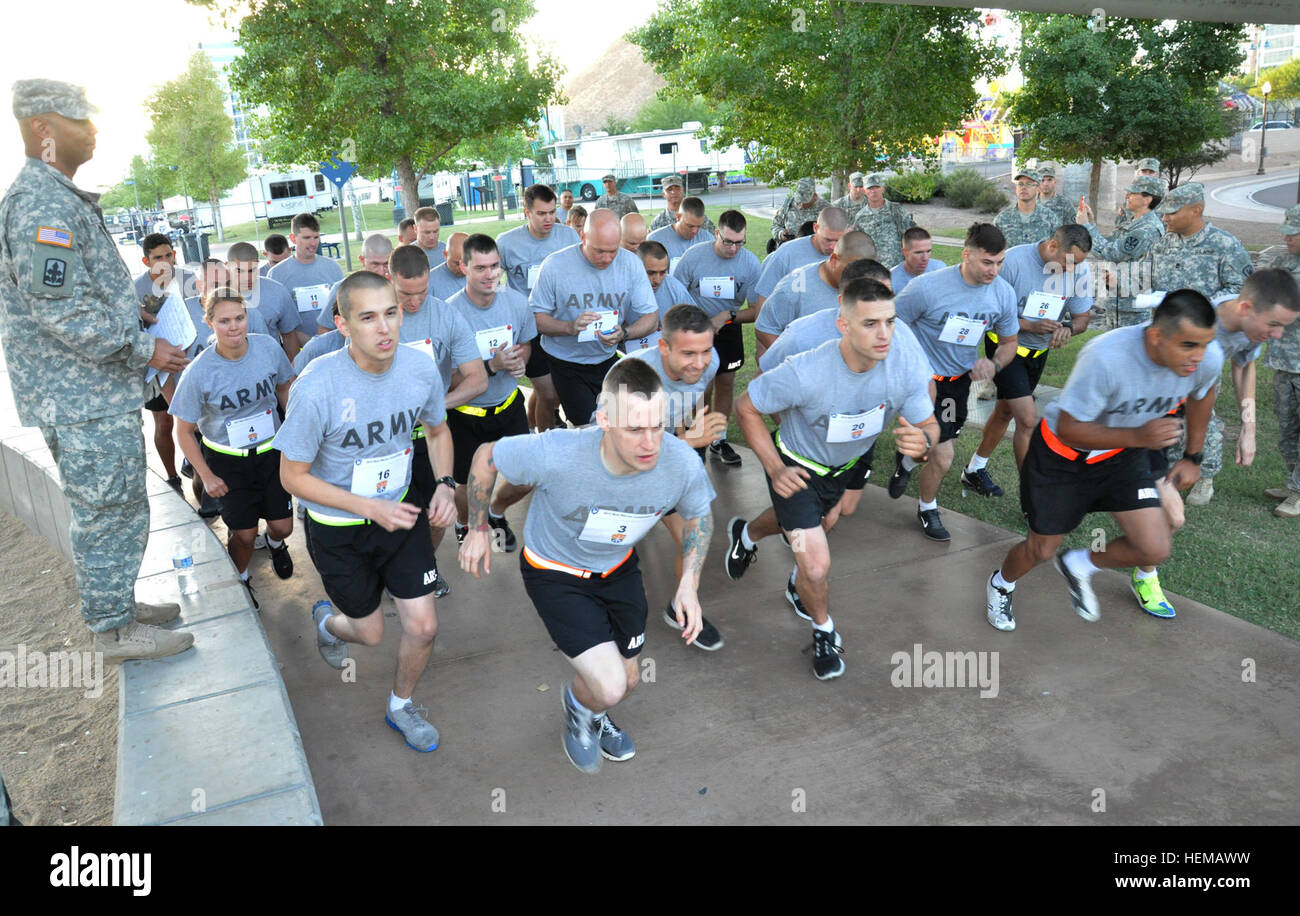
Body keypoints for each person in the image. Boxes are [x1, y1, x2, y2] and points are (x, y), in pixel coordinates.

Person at [0, 78, 192, 661]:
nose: (93, 130)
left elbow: (73, 299)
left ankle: (119, 604)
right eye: (79, 120)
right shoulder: (42, 206)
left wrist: (134, 312)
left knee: (119, 505)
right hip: (80, 398)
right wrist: (142, 348)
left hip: (88, 393)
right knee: (107, 509)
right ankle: (112, 629)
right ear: (44, 130)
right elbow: (60, 312)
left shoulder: (58, 198)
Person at [458, 358, 715, 773]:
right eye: (634, 429)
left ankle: (591, 707)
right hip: (554, 574)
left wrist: (689, 583)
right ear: (604, 420)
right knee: (611, 684)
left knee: (627, 681)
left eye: (657, 426)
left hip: (618, 570)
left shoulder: (679, 462)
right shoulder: (557, 453)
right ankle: (584, 712)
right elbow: (488, 456)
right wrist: (477, 526)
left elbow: (699, 516)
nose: (650, 443)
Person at [278, 270, 458, 753]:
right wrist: (365, 507)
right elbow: (291, 477)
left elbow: (438, 432)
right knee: (370, 631)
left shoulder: (420, 369)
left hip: (399, 517)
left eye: (392, 313)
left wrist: (444, 484)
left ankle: (401, 705)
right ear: (342, 325)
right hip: (338, 528)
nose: (385, 329)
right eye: (369, 317)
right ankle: (327, 623)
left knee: (424, 625)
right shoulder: (318, 387)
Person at [724, 279, 938, 679]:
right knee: (817, 564)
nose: (885, 334)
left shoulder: (902, 366)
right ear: (843, 324)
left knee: (826, 522)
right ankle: (824, 631)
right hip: (798, 469)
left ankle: (748, 535)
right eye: (871, 324)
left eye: (890, 322)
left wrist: (924, 439)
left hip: (848, 464)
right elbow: (746, 407)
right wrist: (774, 468)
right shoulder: (806, 371)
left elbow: (929, 425)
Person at [982, 291, 1223, 633]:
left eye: (1204, 345)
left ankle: (1080, 564)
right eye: (1188, 346)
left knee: (1152, 546)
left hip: (1122, 456)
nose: (1198, 357)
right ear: (1156, 336)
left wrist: (1193, 456)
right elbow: (1068, 429)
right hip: (1062, 458)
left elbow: (1203, 393)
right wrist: (1140, 437)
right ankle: (1001, 584)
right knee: (1041, 548)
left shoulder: (1205, 356)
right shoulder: (1106, 357)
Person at [889, 223, 1020, 541]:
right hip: (920, 381)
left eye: (1000, 262)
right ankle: (928, 508)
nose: (994, 270)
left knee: (931, 448)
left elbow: (1010, 342)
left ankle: (907, 462)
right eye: (987, 262)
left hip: (956, 384)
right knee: (943, 455)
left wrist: (994, 363)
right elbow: (891, 323)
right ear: (966, 255)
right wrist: (912, 365)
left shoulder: (1002, 293)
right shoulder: (927, 288)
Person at [169, 287, 297, 610]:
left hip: (271, 453)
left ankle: (274, 543)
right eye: (224, 321)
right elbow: (182, 432)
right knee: (243, 534)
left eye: (239, 318)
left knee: (284, 525)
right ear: (210, 322)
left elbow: (284, 385)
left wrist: (293, 427)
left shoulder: (268, 348)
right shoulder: (198, 371)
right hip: (228, 461)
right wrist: (206, 476)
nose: (234, 326)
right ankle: (241, 578)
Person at [619, 304, 728, 650]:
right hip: (623, 474)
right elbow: (619, 453)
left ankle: (681, 607)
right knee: (615, 558)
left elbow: (691, 399)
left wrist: (686, 436)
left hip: (667, 463)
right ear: (663, 347)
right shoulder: (632, 379)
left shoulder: (708, 364)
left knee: (693, 537)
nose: (700, 362)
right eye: (689, 353)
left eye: (706, 351)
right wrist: (687, 441)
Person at [961, 225, 1095, 494]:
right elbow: (989, 315)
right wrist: (1029, 326)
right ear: (1053, 246)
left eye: (1078, 264)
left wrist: (1067, 328)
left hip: (1038, 353)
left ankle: (974, 469)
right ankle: (1033, 495)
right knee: (1027, 419)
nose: (1073, 269)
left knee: (1005, 410)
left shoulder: (1079, 269)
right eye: (1069, 263)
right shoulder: (1013, 262)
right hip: (1006, 347)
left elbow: (1083, 318)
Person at [389, 244, 489, 594]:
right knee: (389, 516)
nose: (414, 302)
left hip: (432, 436)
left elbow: (477, 378)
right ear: (389, 280)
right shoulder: (378, 317)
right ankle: (394, 569)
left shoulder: (445, 316)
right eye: (405, 294)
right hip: (387, 439)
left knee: (436, 514)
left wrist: (436, 406)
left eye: (422, 292)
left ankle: (423, 566)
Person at [1146, 181, 1254, 506]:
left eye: (1172, 212)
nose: (1165, 218)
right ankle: (1166, 465)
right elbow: (1148, 278)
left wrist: (1205, 309)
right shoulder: (1163, 245)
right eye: (1163, 212)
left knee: (1203, 404)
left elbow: (1241, 292)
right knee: (1167, 404)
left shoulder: (1225, 245)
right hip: (1166, 343)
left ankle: (1204, 474)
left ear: (1196, 210)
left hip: (1204, 344)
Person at [443, 234, 536, 549]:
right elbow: (450, 381)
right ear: (463, 267)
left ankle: (496, 512)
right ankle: (464, 523)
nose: (490, 275)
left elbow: (525, 345)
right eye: (481, 268)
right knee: (465, 488)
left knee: (527, 477)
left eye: (495, 266)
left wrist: (520, 362)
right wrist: (491, 366)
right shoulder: (450, 314)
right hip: (466, 416)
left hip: (509, 406)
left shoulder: (517, 302)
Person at [530, 208, 657, 426]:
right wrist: (570, 327)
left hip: (607, 358)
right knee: (587, 426)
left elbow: (651, 317)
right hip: (566, 360)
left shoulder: (631, 264)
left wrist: (624, 333)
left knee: (618, 422)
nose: (606, 259)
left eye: (612, 251)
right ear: (582, 237)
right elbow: (535, 318)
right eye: (599, 251)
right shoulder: (555, 266)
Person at [671, 209, 762, 466]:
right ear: (716, 233)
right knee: (702, 386)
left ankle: (718, 438)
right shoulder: (693, 257)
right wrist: (695, 322)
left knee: (725, 383)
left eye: (739, 242)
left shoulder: (750, 263)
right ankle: (698, 435)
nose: (733, 249)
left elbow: (755, 311)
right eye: (728, 241)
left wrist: (728, 315)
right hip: (695, 330)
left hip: (728, 329)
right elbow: (675, 293)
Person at [496, 184, 582, 433]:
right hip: (530, 329)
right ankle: (545, 440)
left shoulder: (568, 237)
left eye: (552, 212)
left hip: (563, 325)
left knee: (556, 391)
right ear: (527, 212)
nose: (548, 219)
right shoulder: (507, 243)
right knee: (546, 392)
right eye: (541, 213)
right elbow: (493, 283)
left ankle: (536, 425)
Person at [133, 231, 196, 491]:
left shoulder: (188, 279)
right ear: (146, 261)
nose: (164, 262)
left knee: (194, 420)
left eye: (168, 255)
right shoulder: (135, 289)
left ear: (174, 254)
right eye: (157, 257)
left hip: (188, 359)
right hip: (155, 367)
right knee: (165, 421)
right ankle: (172, 476)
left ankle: (193, 464)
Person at [754, 230, 878, 351]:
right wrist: (794, 363)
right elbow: (765, 328)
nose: (858, 281)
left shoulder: (873, 286)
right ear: (834, 260)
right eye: (853, 271)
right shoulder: (796, 286)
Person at [1076, 175, 1166, 329]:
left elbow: (1111, 253)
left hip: (1131, 305)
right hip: (1119, 300)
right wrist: (1090, 223)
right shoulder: (1134, 223)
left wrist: (1087, 227)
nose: (1127, 196)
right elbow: (1107, 246)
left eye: (1133, 193)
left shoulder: (1147, 229)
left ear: (1147, 199)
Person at [1264, 205, 1300, 518]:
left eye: (1293, 234)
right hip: (1283, 359)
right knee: (1287, 426)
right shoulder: (1282, 261)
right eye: (1285, 232)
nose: (1286, 238)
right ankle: (1294, 482)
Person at [267, 212, 344, 349]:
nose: (313, 243)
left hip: (333, 345)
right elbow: (276, 318)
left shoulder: (333, 268)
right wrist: (309, 344)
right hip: (298, 348)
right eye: (307, 238)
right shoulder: (277, 274)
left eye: (316, 237)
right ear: (293, 238)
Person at [754, 207, 854, 310]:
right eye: (827, 240)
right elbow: (764, 296)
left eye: (838, 240)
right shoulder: (787, 253)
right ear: (816, 228)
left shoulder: (852, 256)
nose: (833, 247)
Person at [226, 241, 301, 361]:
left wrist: (293, 373)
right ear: (228, 266)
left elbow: (289, 336)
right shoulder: (216, 297)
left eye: (251, 270)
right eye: (239, 271)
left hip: (272, 368)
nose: (247, 277)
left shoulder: (277, 291)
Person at [314, 233, 393, 333]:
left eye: (386, 264)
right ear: (362, 260)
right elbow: (324, 329)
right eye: (375, 264)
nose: (381, 271)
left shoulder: (399, 288)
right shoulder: (342, 289)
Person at [626, 240, 694, 352]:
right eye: (650, 273)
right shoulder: (623, 287)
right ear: (637, 267)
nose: (657, 280)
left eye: (662, 272)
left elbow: (694, 321)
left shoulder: (674, 287)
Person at [851, 172, 916, 268]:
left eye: (877, 187)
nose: (874, 191)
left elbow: (912, 237)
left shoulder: (897, 210)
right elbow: (859, 246)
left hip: (897, 267)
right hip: (874, 269)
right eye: (870, 188)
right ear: (864, 191)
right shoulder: (860, 217)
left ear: (883, 188)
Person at [994, 168, 1062, 248]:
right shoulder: (1002, 219)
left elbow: (1062, 249)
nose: (1023, 187)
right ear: (1016, 188)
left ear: (1038, 189)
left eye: (1029, 184)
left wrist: (1069, 260)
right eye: (1020, 184)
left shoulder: (1050, 218)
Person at [646, 196, 714, 271]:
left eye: (698, 226)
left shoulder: (708, 240)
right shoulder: (655, 240)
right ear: (678, 217)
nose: (695, 231)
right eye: (690, 226)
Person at [649, 175, 717, 235]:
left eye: (677, 188)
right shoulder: (658, 222)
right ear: (663, 194)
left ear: (683, 191)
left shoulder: (697, 217)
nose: (673, 192)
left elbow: (711, 239)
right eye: (669, 189)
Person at [771, 178, 828, 243]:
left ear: (815, 196)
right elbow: (775, 225)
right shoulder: (788, 205)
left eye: (805, 202)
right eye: (799, 201)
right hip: (790, 247)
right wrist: (780, 234)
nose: (801, 205)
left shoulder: (825, 209)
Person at [891, 227, 946, 294]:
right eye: (918, 252)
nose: (925, 258)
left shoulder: (940, 269)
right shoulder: (891, 281)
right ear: (905, 252)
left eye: (928, 251)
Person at [428, 231, 468, 301]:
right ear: (445, 255)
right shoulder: (429, 281)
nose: (462, 269)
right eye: (457, 263)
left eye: (466, 263)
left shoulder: (482, 275)